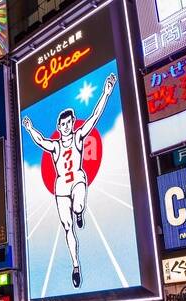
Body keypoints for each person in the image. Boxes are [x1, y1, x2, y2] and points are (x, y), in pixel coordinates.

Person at [21, 73, 117, 288]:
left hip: (78, 180)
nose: (66, 126)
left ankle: (80, 211)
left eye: (69, 122)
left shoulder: (78, 136)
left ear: (73, 123)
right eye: (62, 123)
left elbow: (95, 116)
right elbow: (40, 140)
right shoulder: (55, 145)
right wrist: (28, 129)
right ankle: (76, 265)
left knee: (79, 204)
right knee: (67, 226)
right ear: (59, 125)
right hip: (61, 186)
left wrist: (106, 93)